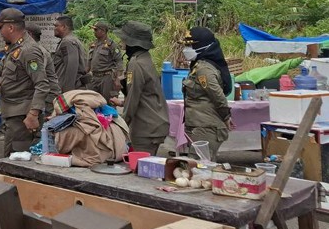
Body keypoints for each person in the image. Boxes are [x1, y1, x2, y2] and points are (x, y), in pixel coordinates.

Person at [0, 8, 50, 157]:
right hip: (13, 114)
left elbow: (42, 84)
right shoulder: (15, 48)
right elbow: (4, 66)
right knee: (10, 157)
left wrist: (33, 114)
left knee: (17, 160)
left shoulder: (29, 51)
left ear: (10, 28)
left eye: (1, 28)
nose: (0, 33)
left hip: (23, 117)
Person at [110, 21, 169, 155]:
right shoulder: (145, 59)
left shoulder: (136, 64)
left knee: (143, 169)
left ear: (131, 42)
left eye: (123, 39)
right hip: (154, 123)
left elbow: (133, 98)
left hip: (146, 127)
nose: (121, 42)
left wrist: (122, 124)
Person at [182, 27, 234, 159]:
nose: (186, 49)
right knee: (202, 166)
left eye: (190, 45)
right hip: (199, 125)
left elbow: (217, 94)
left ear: (202, 46)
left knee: (200, 167)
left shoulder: (204, 69)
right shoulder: (198, 66)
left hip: (206, 127)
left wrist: (226, 116)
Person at [26, 22, 62, 108]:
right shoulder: (32, 49)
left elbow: (37, 75)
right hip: (43, 96)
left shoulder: (36, 52)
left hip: (47, 98)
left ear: (29, 34)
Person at [87, 21, 123, 101]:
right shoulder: (93, 44)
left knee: (109, 102)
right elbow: (89, 62)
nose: (94, 32)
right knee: (93, 103)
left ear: (103, 31)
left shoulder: (112, 45)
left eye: (96, 30)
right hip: (94, 78)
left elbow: (119, 62)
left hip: (107, 78)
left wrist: (118, 79)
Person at [53, 16, 89, 92]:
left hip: (71, 88)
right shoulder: (71, 40)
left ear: (64, 27)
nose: (54, 28)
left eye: (56, 26)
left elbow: (71, 67)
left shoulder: (68, 42)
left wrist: (68, 90)